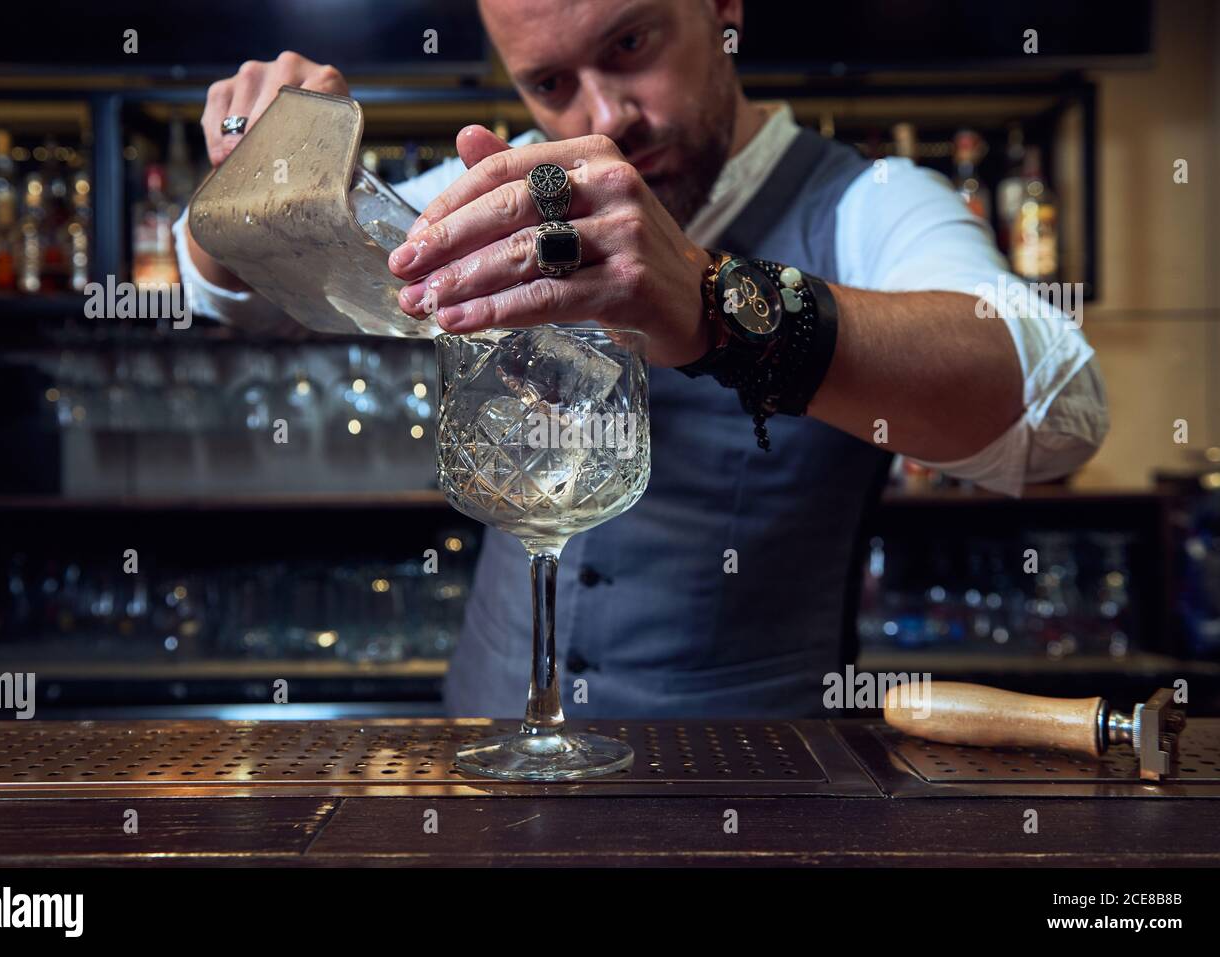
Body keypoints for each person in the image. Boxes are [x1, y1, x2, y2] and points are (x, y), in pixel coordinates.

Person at [175, 0, 1109, 718]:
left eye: (631, 45)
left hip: (753, 778)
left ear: (723, 12)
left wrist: (713, 302)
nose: (606, 115)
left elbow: (1058, 417)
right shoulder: (508, 186)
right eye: (549, 84)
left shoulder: (870, 202)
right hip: (489, 750)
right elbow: (224, 289)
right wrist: (261, 171)